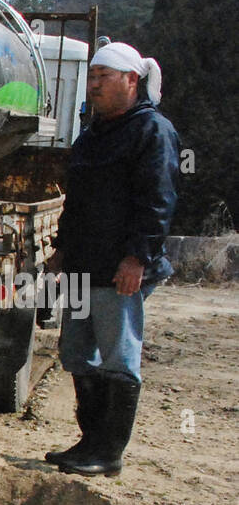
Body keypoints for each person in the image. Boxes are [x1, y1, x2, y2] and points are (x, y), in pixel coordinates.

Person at [45, 41, 181, 477]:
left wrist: (137, 258)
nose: (95, 84)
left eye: (104, 77)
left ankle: (109, 453)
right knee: (76, 353)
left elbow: (158, 202)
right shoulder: (93, 134)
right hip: (84, 268)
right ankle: (89, 444)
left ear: (131, 80)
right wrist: (61, 250)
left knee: (119, 358)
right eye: (92, 77)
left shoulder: (151, 132)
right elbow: (77, 202)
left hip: (120, 270)